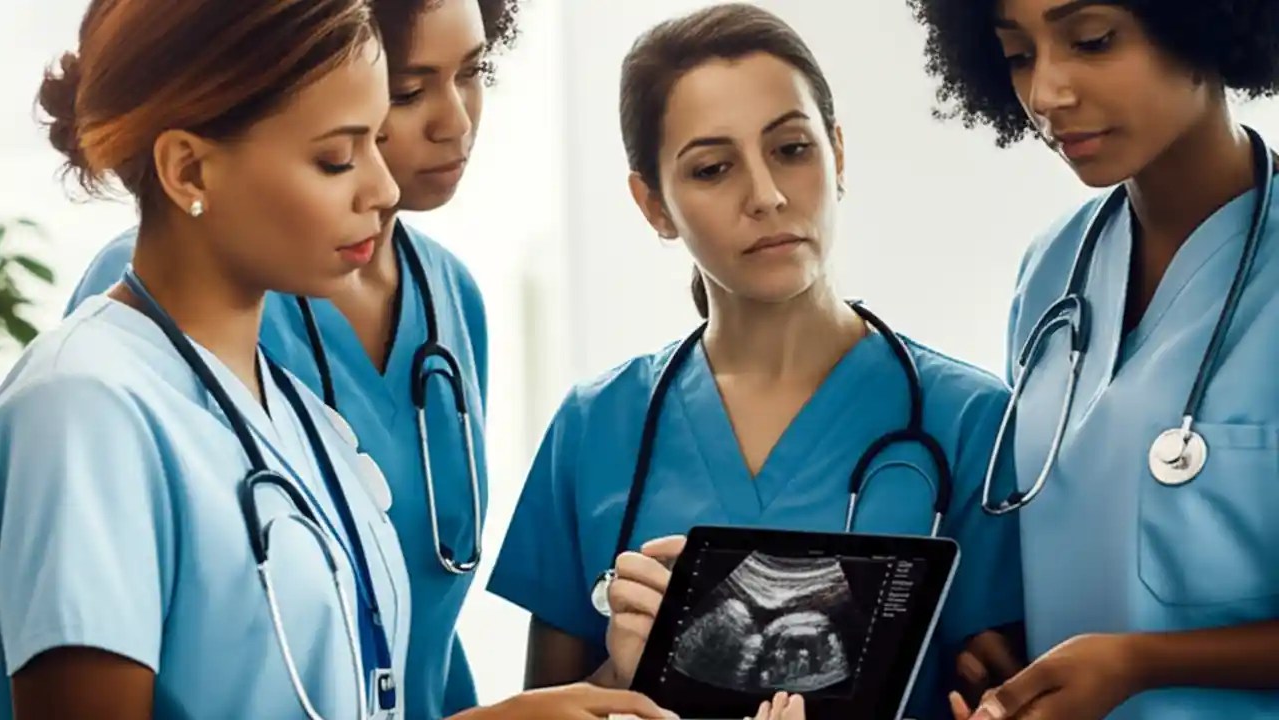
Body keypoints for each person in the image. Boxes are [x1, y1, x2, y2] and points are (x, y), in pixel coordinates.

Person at [38, 1, 681, 718]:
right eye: (343, 152)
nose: (454, 123)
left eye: (473, 72)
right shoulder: (104, 380)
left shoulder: (330, 384)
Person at [486, 5, 1027, 719]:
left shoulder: (969, 423)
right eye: (713, 169)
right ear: (654, 205)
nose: (767, 196)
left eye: (792, 149)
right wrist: (623, 675)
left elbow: (1004, 695)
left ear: (838, 154)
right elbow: (541, 710)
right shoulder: (597, 427)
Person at [0, 1, 404, 716]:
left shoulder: (291, 413)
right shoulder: (83, 407)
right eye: (337, 159)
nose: (385, 189)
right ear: (189, 171)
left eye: (379, 141)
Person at [906, 0, 1279, 718]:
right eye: (1018, 56)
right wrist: (1012, 650)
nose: (1046, 94)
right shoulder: (1051, 270)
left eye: (1093, 41)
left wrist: (1139, 665)